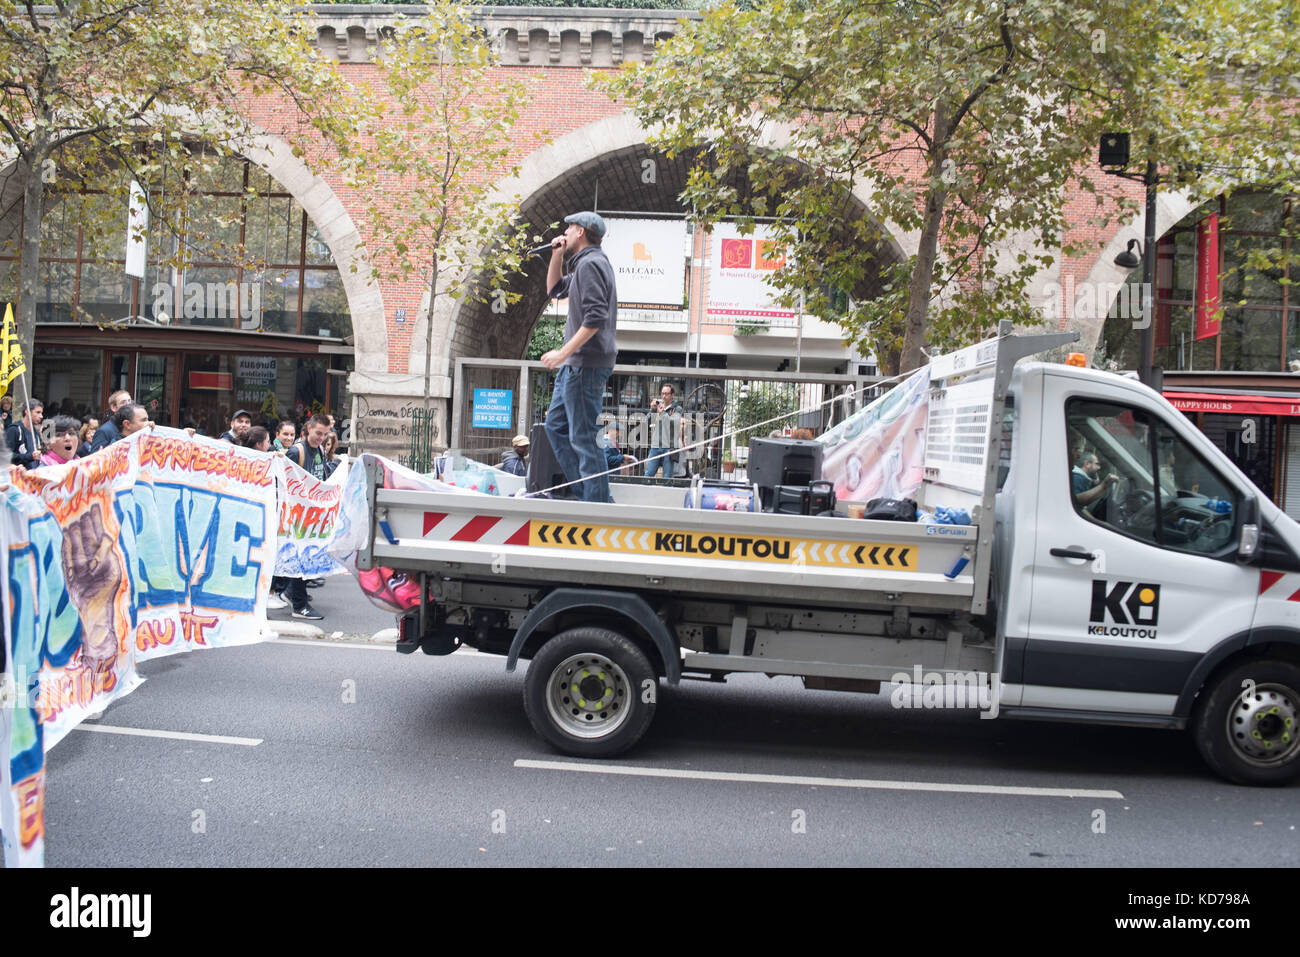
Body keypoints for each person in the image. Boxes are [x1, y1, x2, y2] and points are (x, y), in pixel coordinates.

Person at [540, 211, 618, 504]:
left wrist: (562, 353)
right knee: (556, 428)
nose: (566, 232)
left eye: (570, 228)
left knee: (585, 438)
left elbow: (595, 317)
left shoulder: (592, 265)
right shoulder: (588, 264)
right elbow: (555, 290)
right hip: (575, 366)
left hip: (583, 366)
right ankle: (588, 494)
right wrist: (556, 255)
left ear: (581, 231)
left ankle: (597, 507)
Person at [282, 413, 332, 620]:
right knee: (301, 557)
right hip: (298, 515)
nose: (321, 438)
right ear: (308, 429)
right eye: (318, 433)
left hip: (311, 515)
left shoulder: (319, 450)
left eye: (325, 434)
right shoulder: (296, 451)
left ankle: (290, 593)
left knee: (306, 557)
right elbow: (286, 481)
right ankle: (299, 605)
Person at [645, 383, 685, 478]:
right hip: (656, 446)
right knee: (648, 474)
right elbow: (647, 422)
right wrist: (652, 410)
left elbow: (673, 423)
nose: (664, 396)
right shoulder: (658, 407)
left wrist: (662, 413)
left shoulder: (677, 409)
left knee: (667, 476)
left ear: (672, 395)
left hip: (669, 447)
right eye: (662, 393)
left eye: (667, 394)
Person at [5, 398, 44, 469]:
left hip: (33, 475)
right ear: (27, 411)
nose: (41, 416)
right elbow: (7, 455)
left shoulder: (36, 433)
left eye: (41, 413)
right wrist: (30, 456)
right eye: (38, 412)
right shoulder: (14, 430)